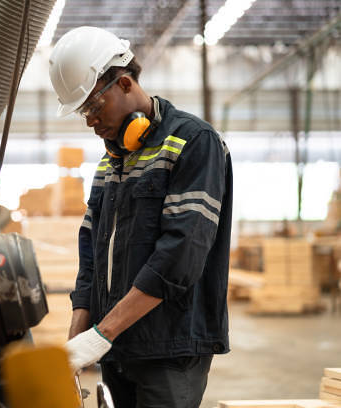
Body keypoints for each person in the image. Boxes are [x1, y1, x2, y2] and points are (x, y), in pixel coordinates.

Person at [49, 26, 233, 407]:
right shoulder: (111, 161)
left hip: (170, 348)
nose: (90, 121)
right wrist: (75, 345)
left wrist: (101, 335)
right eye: (83, 112)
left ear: (126, 83)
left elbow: (179, 256)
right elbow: (91, 259)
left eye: (94, 107)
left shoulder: (194, 143)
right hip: (118, 349)